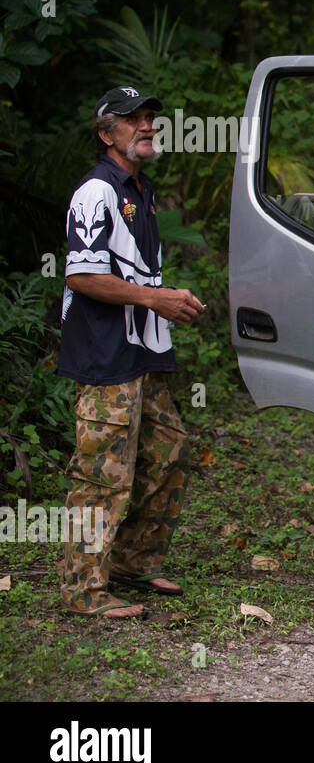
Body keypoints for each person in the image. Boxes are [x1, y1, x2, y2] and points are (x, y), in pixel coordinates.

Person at [56, 86, 206, 618]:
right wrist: (154, 298)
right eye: (132, 119)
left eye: (149, 117)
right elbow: (83, 273)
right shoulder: (95, 192)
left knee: (170, 449)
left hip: (143, 347)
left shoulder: (139, 190)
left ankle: (133, 561)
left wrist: (163, 302)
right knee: (103, 473)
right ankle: (83, 589)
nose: (146, 125)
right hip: (105, 353)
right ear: (106, 134)